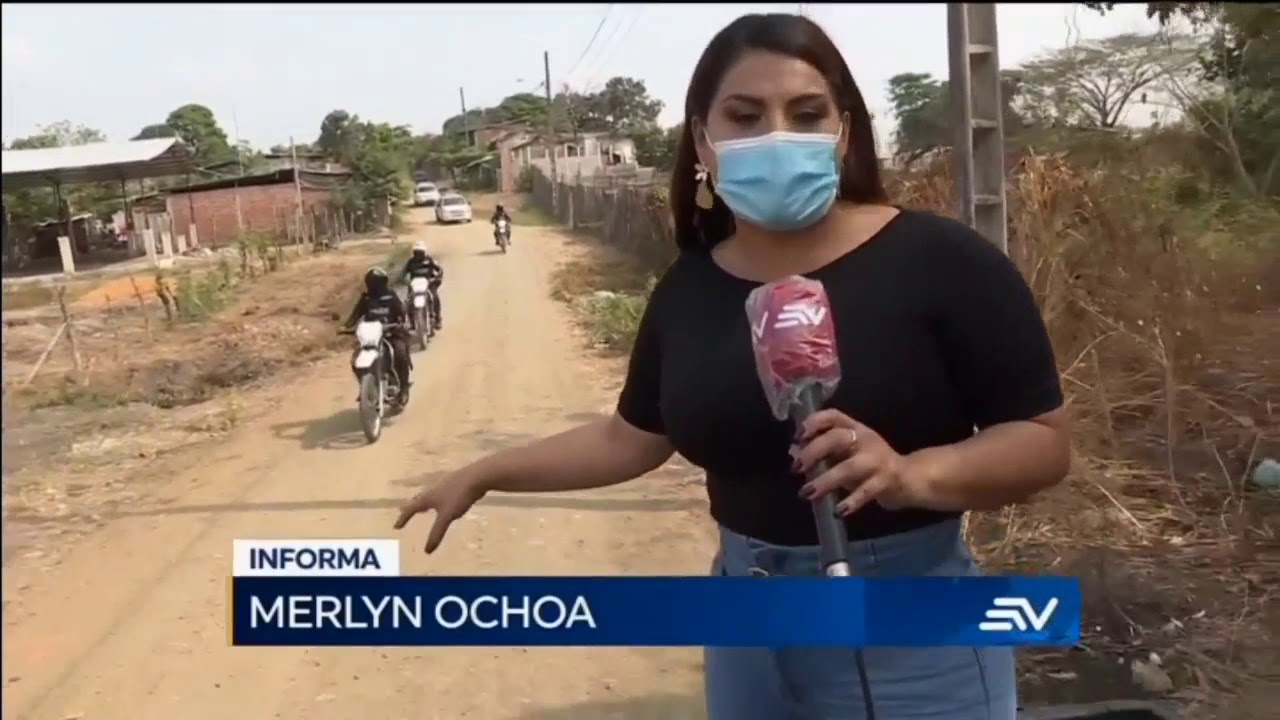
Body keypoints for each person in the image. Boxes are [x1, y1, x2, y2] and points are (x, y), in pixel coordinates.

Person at [395, 13, 1069, 720]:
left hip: (909, 627)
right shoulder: (690, 287)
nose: (776, 135)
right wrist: (483, 474)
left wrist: (911, 474)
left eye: (805, 114)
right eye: (745, 117)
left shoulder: (943, 262)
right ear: (703, 143)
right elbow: (630, 437)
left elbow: (1043, 442)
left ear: (842, 133)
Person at [341, 267, 412, 404]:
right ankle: (367, 386)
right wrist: (346, 326)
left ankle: (403, 389)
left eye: (375, 282)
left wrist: (402, 324)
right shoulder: (366, 298)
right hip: (371, 337)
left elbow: (402, 314)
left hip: (391, 334)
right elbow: (355, 315)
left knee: (400, 354)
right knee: (355, 360)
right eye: (371, 282)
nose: (373, 285)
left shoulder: (391, 296)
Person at [396, 242, 444, 331]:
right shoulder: (411, 262)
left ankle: (437, 318)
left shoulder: (429, 260)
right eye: (416, 253)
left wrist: (437, 278)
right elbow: (403, 273)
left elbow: (439, 269)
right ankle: (412, 322)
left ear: (424, 252)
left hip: (428, 283)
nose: (418, 255)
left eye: (420, 253)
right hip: (415, 285)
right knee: (409, 302)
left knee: (435, 296)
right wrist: (403, 281)